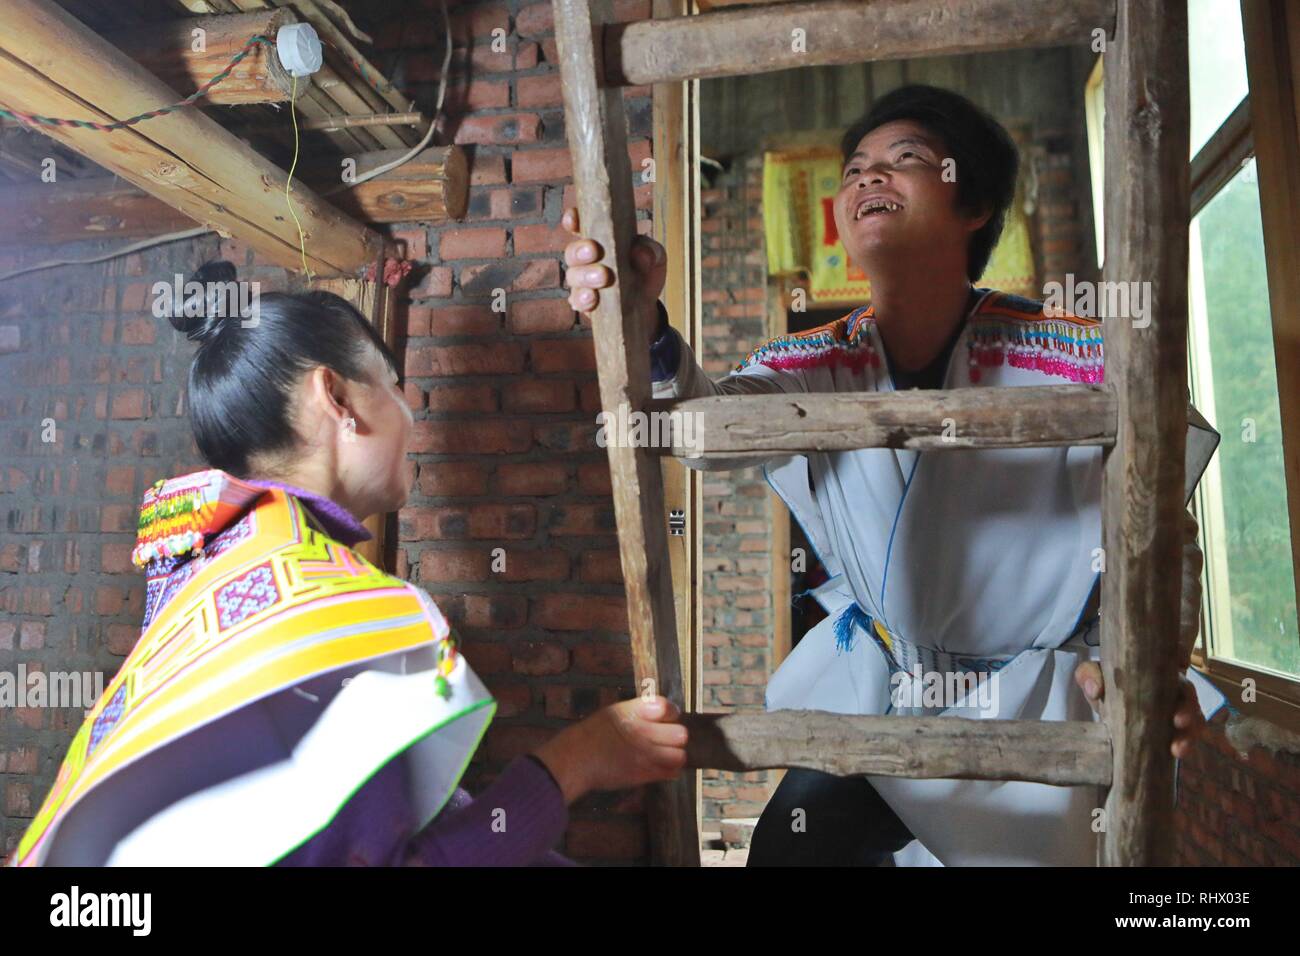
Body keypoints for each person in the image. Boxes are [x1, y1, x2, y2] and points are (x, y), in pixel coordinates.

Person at [562, 84, 1225, 866]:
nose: (869, 178)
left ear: (973, 205)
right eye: (854, 170)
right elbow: (706, 429)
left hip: (1043, 701)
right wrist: (644, 325)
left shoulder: (1082, 356)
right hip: (886, 685)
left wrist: (1149, 663)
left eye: (905, 159)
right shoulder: (814, 359)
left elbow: (1160, 531)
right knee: (789, 849)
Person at [14, 265, 688, 867]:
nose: (410, 417)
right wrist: (580, 760)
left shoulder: (199, 590)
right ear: (336, 397)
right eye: (396, 387)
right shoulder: (335, 617)